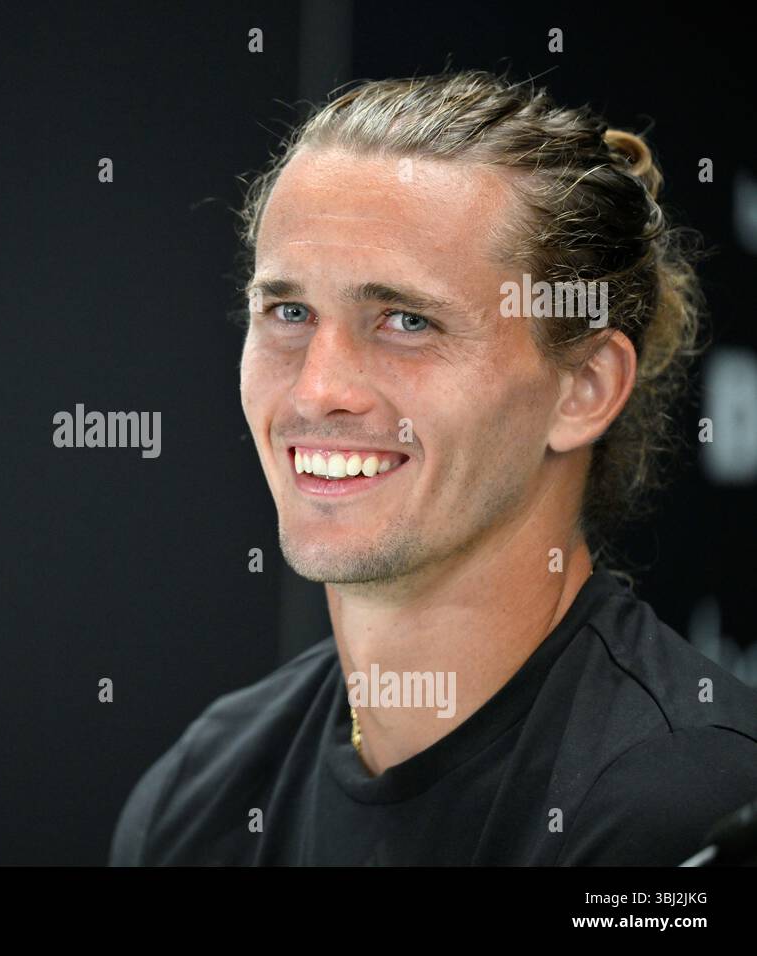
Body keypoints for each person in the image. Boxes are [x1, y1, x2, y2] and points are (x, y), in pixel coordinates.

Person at [109, 69, 757, 865]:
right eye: (288, 312)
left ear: (583, 390)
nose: (318, 389)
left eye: (407, 321)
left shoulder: (684, 813)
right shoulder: (198, 793)